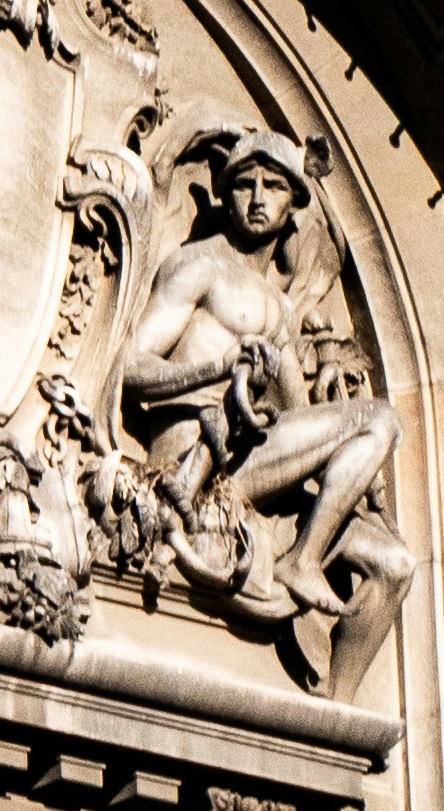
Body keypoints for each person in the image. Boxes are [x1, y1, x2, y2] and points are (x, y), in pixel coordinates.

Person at [117, 128, 406, 651]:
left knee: (395, 564)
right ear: (226, 195)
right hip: (192, 452)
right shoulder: (198, 265)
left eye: (272, 187)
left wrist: (356, 466)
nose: (256, 199)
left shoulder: (283, 309)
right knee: (380, 419)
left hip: (254, 459)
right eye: (244, 185)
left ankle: (334, 716)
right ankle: (302, 563)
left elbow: (293, 418)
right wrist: (214, 371)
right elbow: (130, 366)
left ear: (294, 201)